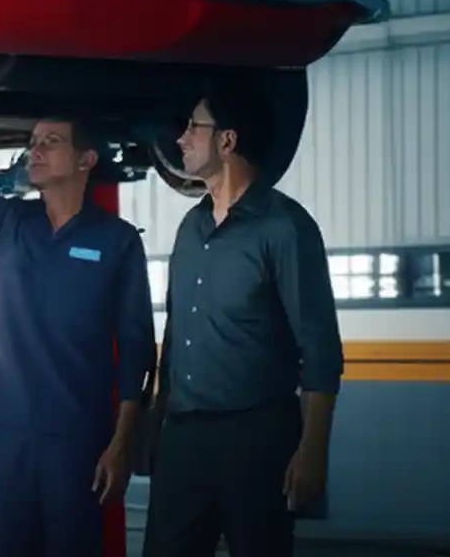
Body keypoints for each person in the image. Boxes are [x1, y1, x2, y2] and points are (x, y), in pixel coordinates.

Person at [0, 49, 157, 557]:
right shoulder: (6, 225)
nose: (35, 151)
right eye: (33, 142)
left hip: (78, 439)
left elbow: (137, 351)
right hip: (8, 435)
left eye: (51, 142)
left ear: (86, 160)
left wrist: (122, 443)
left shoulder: (117, 241)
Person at [142, 83, 344, 557]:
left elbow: (320, 348)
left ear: (227, 141)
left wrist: (313, 451)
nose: (181, 138)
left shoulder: (285, 228)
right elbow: (176, 334)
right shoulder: (191, 228)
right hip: (184, 439)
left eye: (194, 127)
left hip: (256, 441)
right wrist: (156, 420)